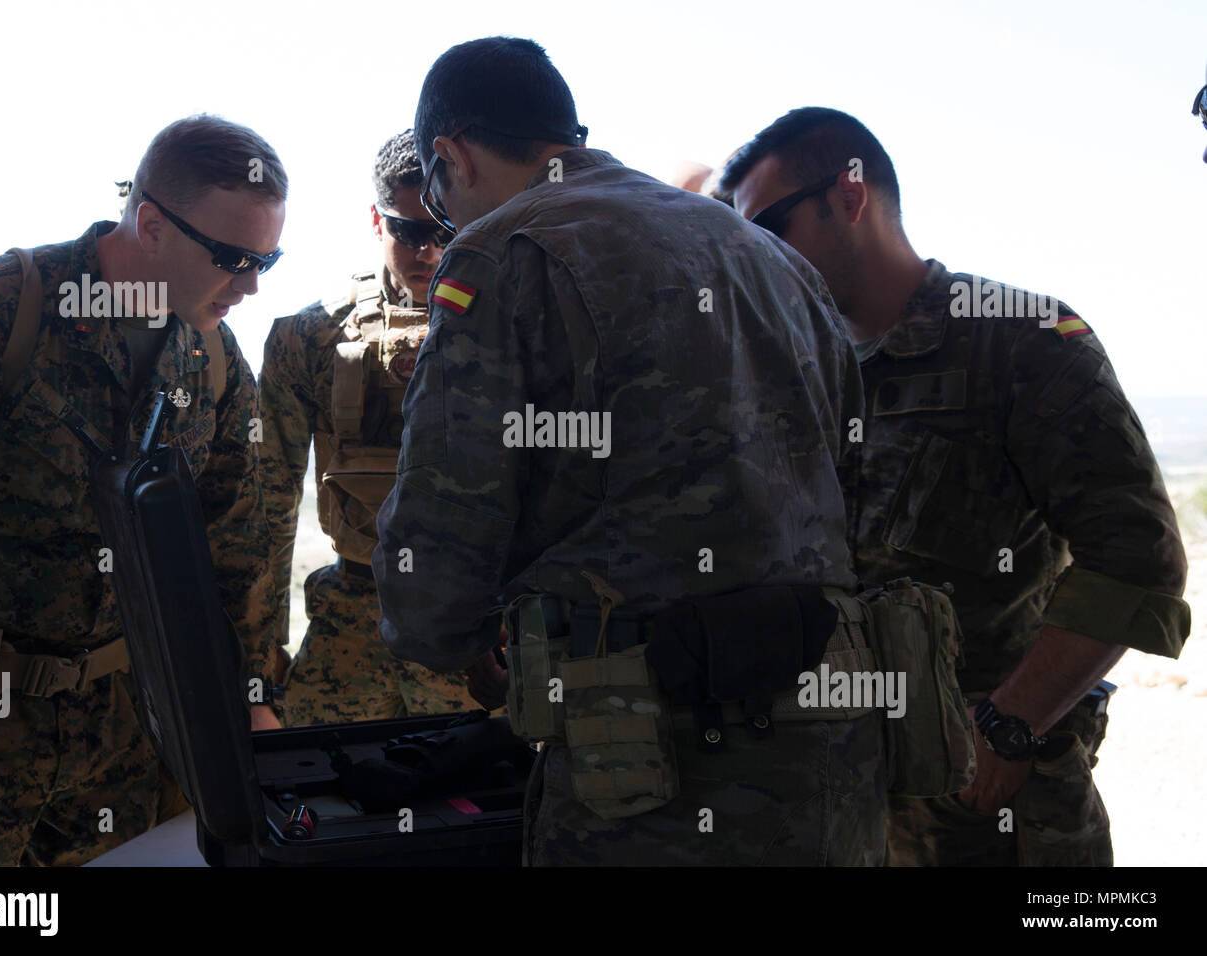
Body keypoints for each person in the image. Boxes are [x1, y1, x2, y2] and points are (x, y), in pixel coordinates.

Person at [373, 37, 885, 866]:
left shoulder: (502, 252)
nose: (445, 226)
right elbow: (854, 484)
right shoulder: (768, 256)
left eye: (435, 203)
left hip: (649, 776)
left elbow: (438, 545)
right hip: (829, 761)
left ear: (450, 157)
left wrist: (463, 649)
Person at [721, 107, 1192, 866]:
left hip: (993, 818)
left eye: (770, 225)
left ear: (849, 197)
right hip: (837, 810)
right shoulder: (789, 378)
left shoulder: (1019, 341)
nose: (759, 256)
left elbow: (1140, 557)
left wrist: (1012, 721)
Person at [0, 114, 286, 865]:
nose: (247, 284)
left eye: (267, 263)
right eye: (233, 257)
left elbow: (236, 548)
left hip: (127, 747)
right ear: (150, 224)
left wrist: (251, 701)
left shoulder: (211, 360)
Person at [259, 130, 475, 726]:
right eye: (409, 232)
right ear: (376, 222)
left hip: (470, 624)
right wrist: (259, 651)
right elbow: (267, 503)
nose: (429, 252)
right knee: (314, 791)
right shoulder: (308, 338)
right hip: (351, 618)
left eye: (444, 233)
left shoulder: (508, 332)